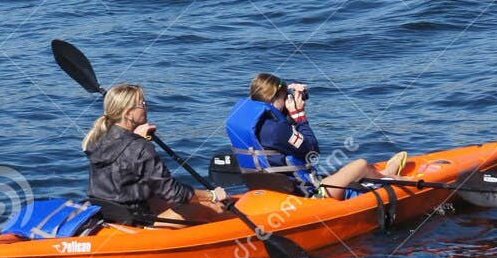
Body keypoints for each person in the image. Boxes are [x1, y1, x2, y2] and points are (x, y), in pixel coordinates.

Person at [226, 74, 407, 195]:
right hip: (307, 195)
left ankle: (386, 173)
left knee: (342, 173)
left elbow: (278, 143)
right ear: (276, 98)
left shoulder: (252, 124)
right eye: (284, 97)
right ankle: (397, 180)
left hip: (269, 192)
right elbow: (311, 150)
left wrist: (288, 117)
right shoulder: (275, 129)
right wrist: (300, 116)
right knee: (361, 165)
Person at [83, 84, 231, 227]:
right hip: (137, 221)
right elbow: (174, 193)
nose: (147, 107)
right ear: (128, 114)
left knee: (157, 197)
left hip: (109, 215)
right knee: (212, 208)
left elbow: (123, 158)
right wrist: (211, 195)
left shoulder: (97, 139)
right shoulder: (140, 148)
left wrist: (135, 138)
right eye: (142, 104)